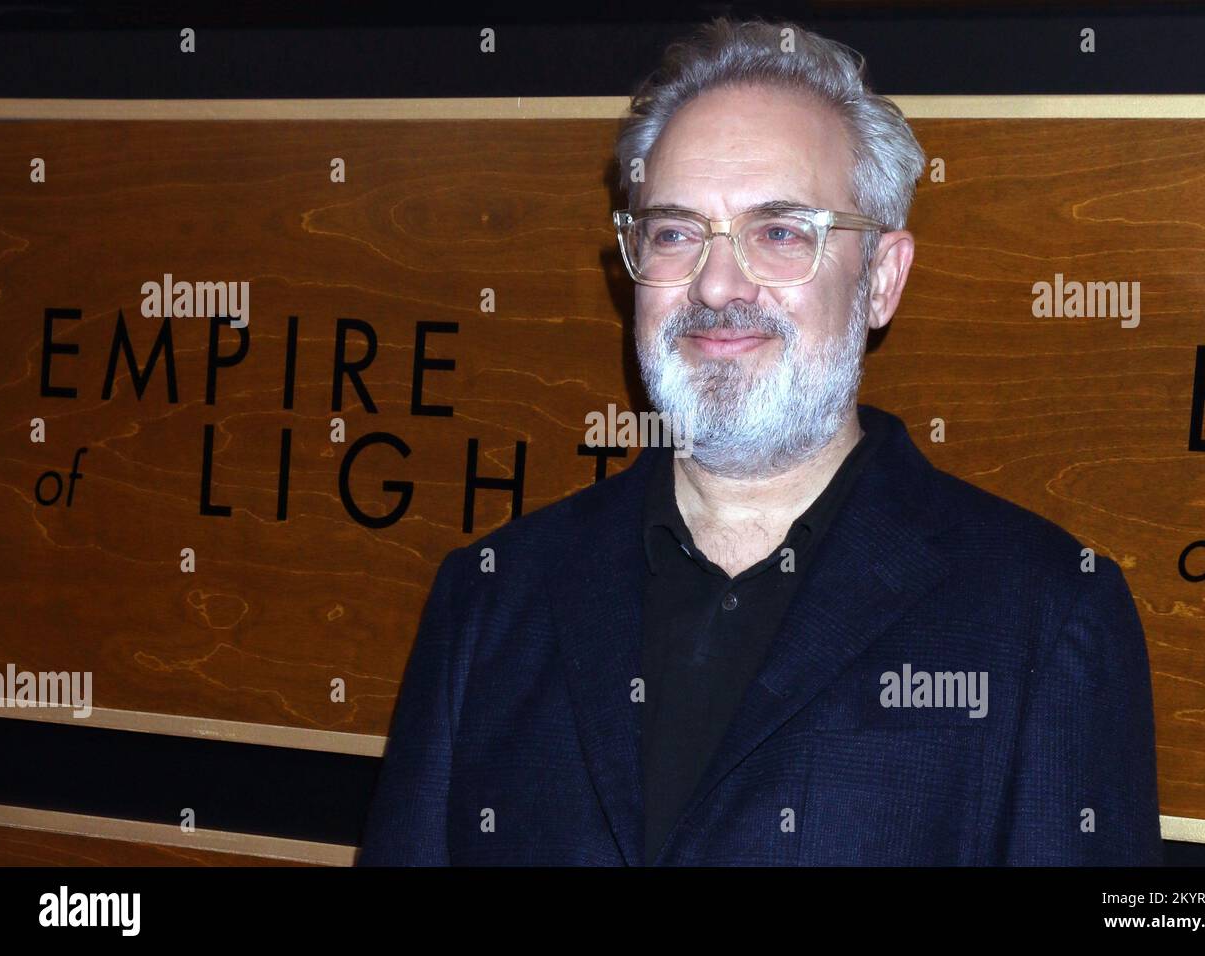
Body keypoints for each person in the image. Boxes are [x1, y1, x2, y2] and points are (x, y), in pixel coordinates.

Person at [358, 16, 1163, 866]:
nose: (715, 283)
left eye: (779, 232)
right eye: (674, 232)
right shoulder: (488, 601)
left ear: (883, 278)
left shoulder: (1044, 619)